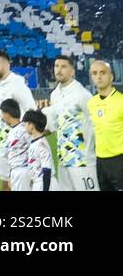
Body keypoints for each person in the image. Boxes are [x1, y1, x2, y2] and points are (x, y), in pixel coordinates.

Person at [42, 55, 98, 191]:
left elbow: (97, 124)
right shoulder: (54, 95)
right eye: (56, 66)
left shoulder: (83, 95)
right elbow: (56, 123)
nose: (59, 70)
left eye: (63, 66)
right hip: (63, 158)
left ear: (72, 71)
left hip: (82, 160)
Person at [0, 50, 36, 190]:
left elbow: (32, 110)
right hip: (4, 140)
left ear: (6, 65)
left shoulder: (18, 85)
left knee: (24, 183)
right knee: (4, 183)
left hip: (20, 143)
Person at [89, 59, 123, 190]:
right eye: (95, 73)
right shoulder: (91, 103)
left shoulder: (121, 101)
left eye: (103, 72)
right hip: (100, 161)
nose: (98, 76)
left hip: (119, 160)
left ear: (111, 76)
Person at [0, 99, 32, 192]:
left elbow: (34, 151)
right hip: (16, 171)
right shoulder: (13, 131)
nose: (2, 117)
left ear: (7, 114)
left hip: (24, 172)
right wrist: (11, 175)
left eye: (2, 113)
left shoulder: (24, 130)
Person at [21, 110, 55, 192]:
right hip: (38, 183)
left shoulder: (41, 145)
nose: (24, 126)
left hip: (44, 184)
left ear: (31, 125)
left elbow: (46, 170)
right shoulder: (36, 142)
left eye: (26, 123)